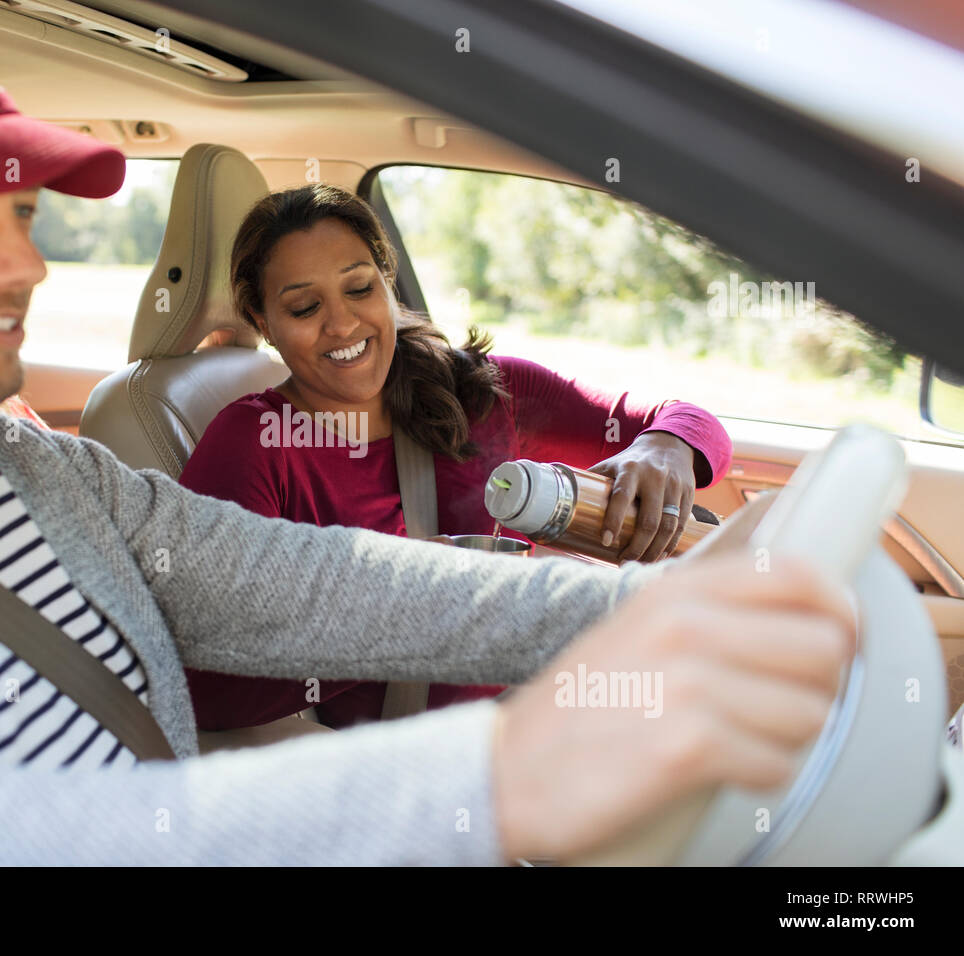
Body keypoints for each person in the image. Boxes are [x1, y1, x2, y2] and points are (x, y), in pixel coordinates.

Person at [0, 30, 856, 866]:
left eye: (22, 212)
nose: (25, 262)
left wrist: (634, 614)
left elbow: (304, 576)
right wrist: (494, 775)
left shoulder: (34, 464)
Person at [179, 184, 732, 732]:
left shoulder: (480, 392)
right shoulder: (255, 444)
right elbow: (206, 691)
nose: (342, 325)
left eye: (359, 288)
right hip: (429, 769)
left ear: (386, 283)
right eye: (304, 306)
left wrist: (664, 447)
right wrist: (412, 602)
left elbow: (692, 422)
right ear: (261, 318)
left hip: (550, 713)